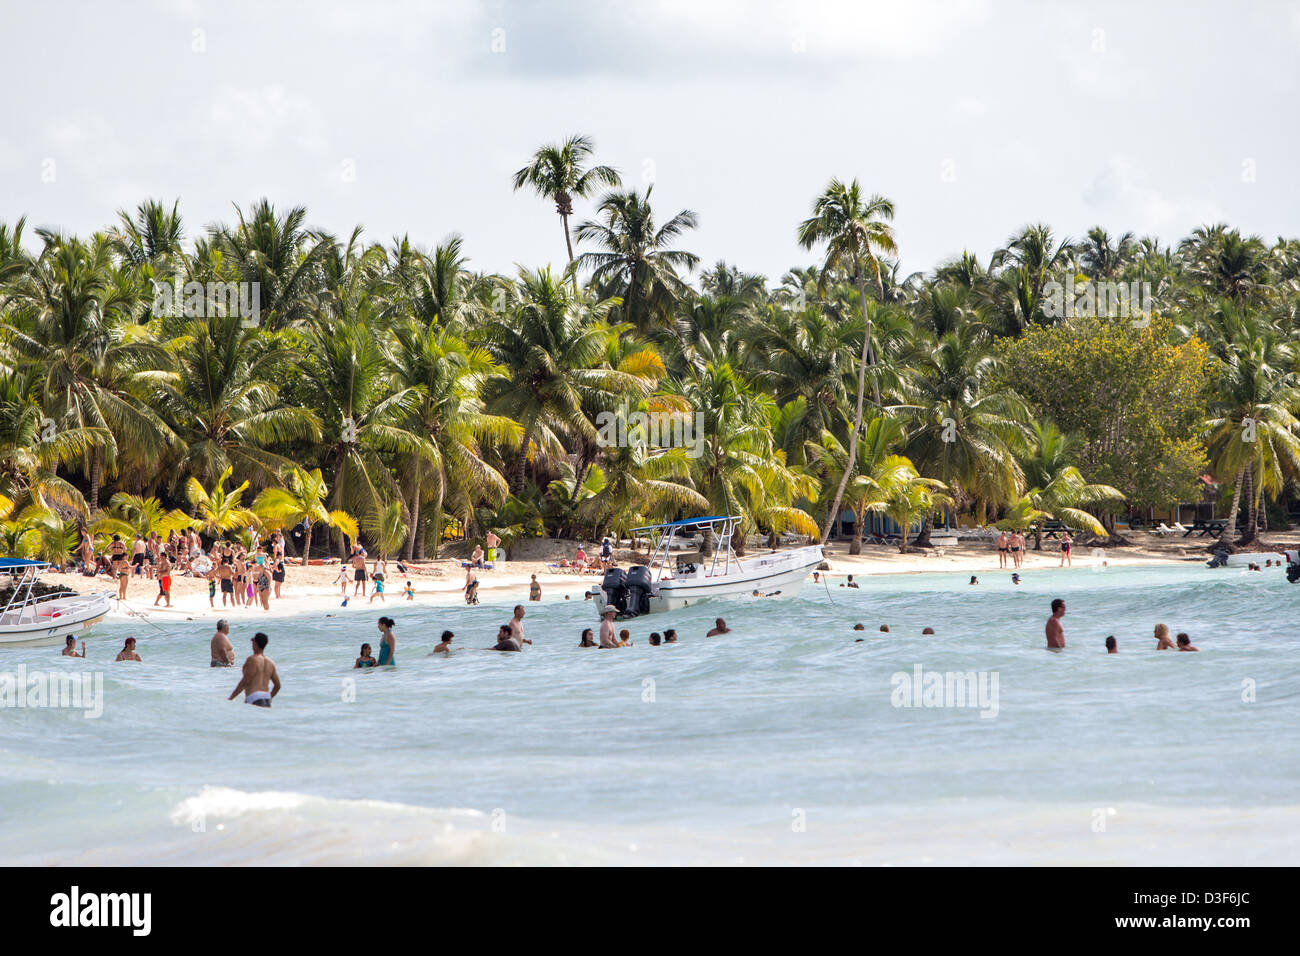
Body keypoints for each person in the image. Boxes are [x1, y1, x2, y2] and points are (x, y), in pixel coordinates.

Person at [228, 632, 280, 707]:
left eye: (253, 640)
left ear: (255, 643)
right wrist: (269, 698)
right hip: (267, 698)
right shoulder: (271, 663)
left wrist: (231, 698)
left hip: (254, 698)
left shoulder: (252, 660)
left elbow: (245, 681)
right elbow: (277, 686)